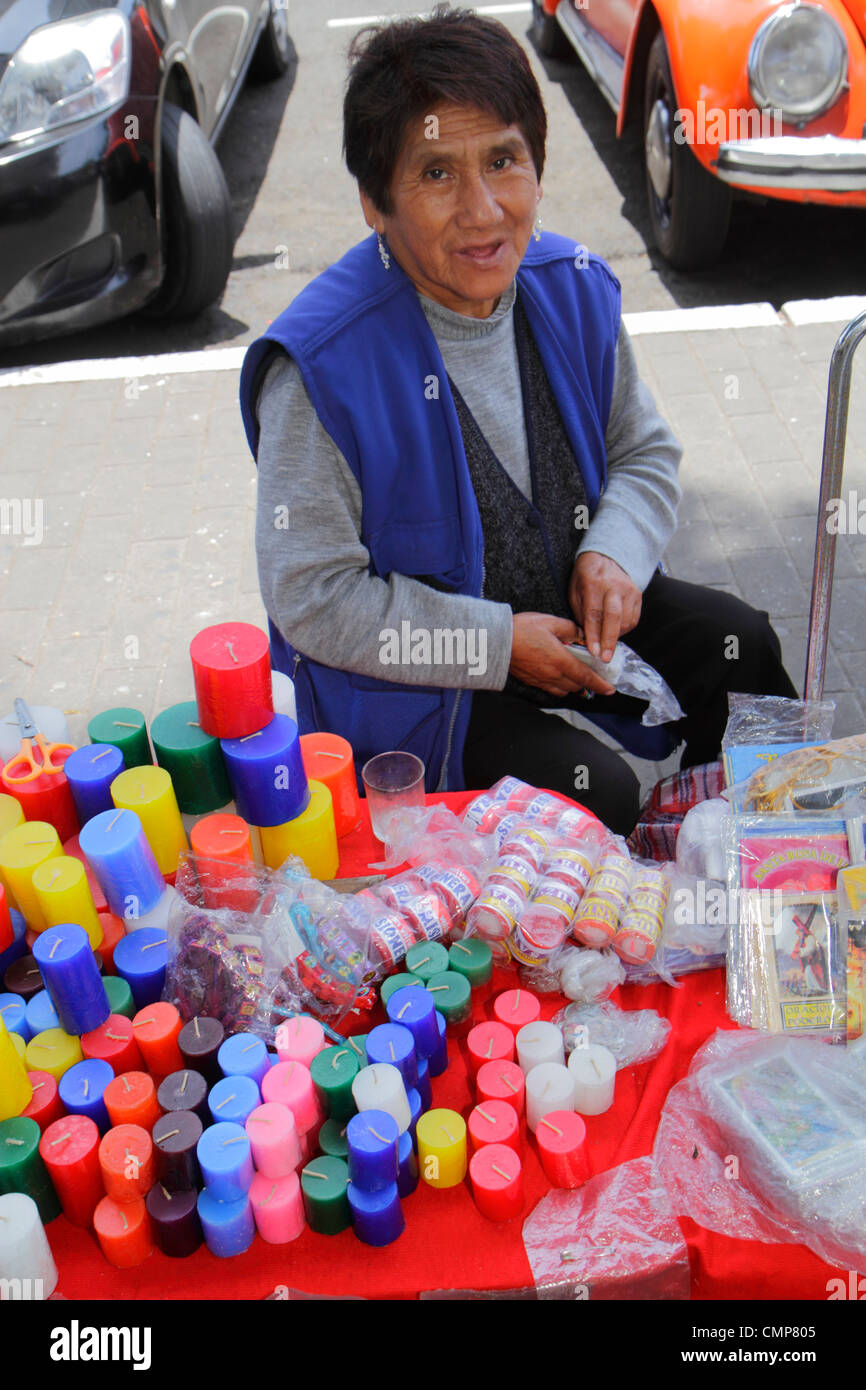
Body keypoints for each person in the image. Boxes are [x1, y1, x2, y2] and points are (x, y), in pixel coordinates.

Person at [240, 5, 796, 836]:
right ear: (373, 202)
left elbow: (643, 450)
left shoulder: (573, 285)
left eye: (503, 161)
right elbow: (310, 597)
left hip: (567, 621)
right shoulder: (323, 365)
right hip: (422, 679)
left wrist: (614, 551)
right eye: (435, 174)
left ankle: (732, 863)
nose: (483, 210)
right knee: (588, 795)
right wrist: (494, 646)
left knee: (742, 650)